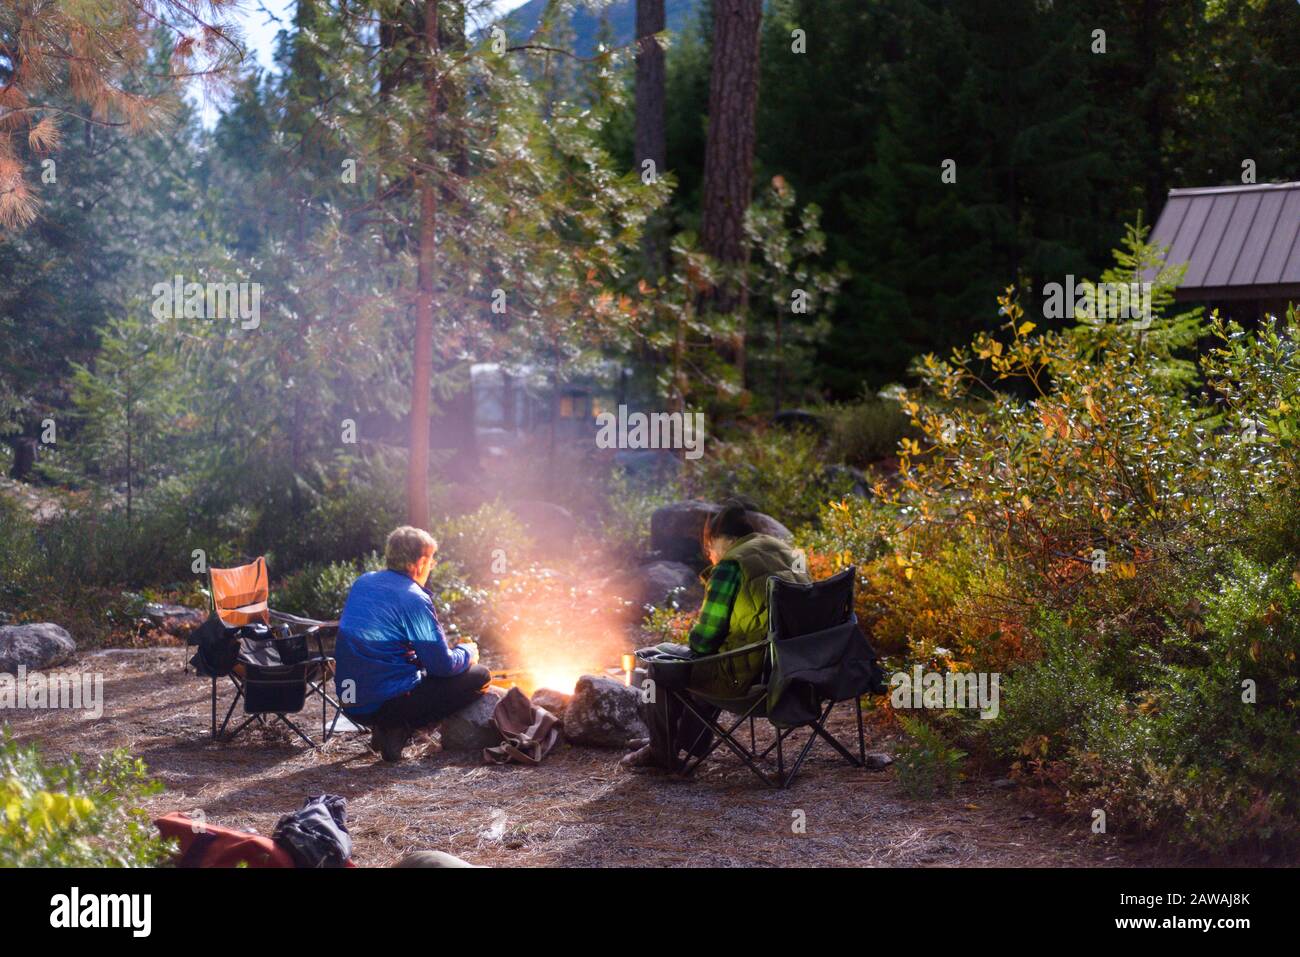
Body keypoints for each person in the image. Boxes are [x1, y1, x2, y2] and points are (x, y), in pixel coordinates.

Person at [621, 499, 811, 770]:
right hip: (798, 668)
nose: (710, 556)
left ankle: (661, 752)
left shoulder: (732, 565)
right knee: (713, 661)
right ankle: (684, 744)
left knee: (660, 664)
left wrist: (691, 643)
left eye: (710, 547)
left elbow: (704, 640)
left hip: (755, 678)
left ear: (724, 540)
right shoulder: (785, 551)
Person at [334, 525, 490, 762]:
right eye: (431, 561)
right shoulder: (412, 598)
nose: (431, 567)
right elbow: (442, 667)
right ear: (419, 563)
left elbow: (378, 645)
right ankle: (398, 727)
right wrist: (467, 652)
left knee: (407, 676)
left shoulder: (364, 582)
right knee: (479, 675)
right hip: (387, 703)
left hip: (350, 702)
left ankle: (386, 724)